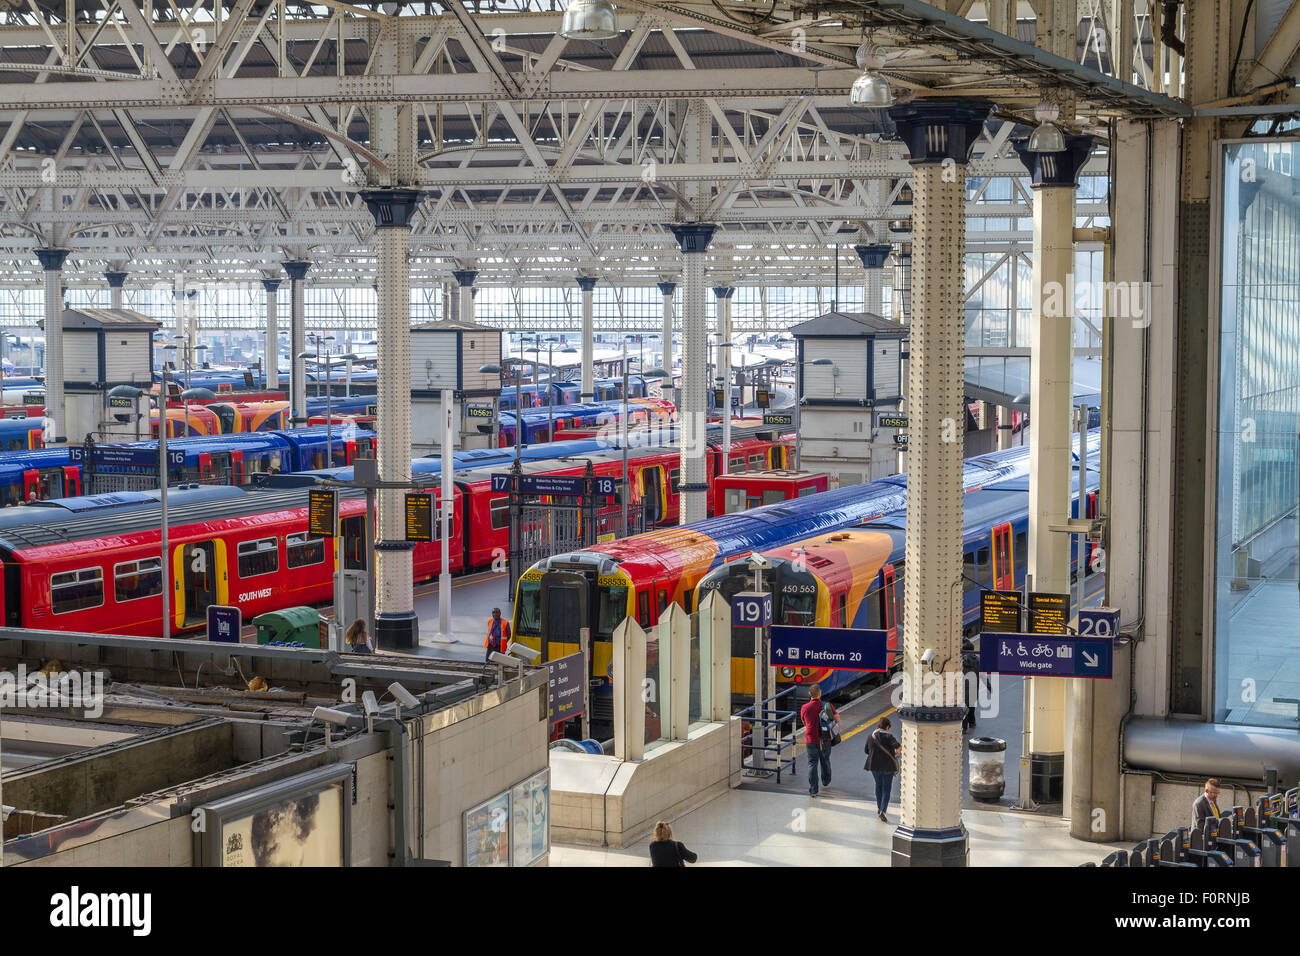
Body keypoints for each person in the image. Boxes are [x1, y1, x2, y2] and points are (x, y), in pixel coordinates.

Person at [799, 685, 838, 798]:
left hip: (811, 739)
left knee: (812, 764)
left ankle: (813, 790)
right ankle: (826, 781)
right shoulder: (827, 705)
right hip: (825, 738)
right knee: (825, 760)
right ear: (819, 693)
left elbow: (804, 722)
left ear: (809, 694)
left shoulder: (804, 707)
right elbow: (837, 719)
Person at [865, 717, 901, 822]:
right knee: (886, 789)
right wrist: (895, 755)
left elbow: (866, 750)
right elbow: (899, 747)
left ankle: (879, 807)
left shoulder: (870, 736)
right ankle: (883, 811)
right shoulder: (889, 736)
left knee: (878, 786)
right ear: (887, 726)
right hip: (887, 767)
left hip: (874, 766)